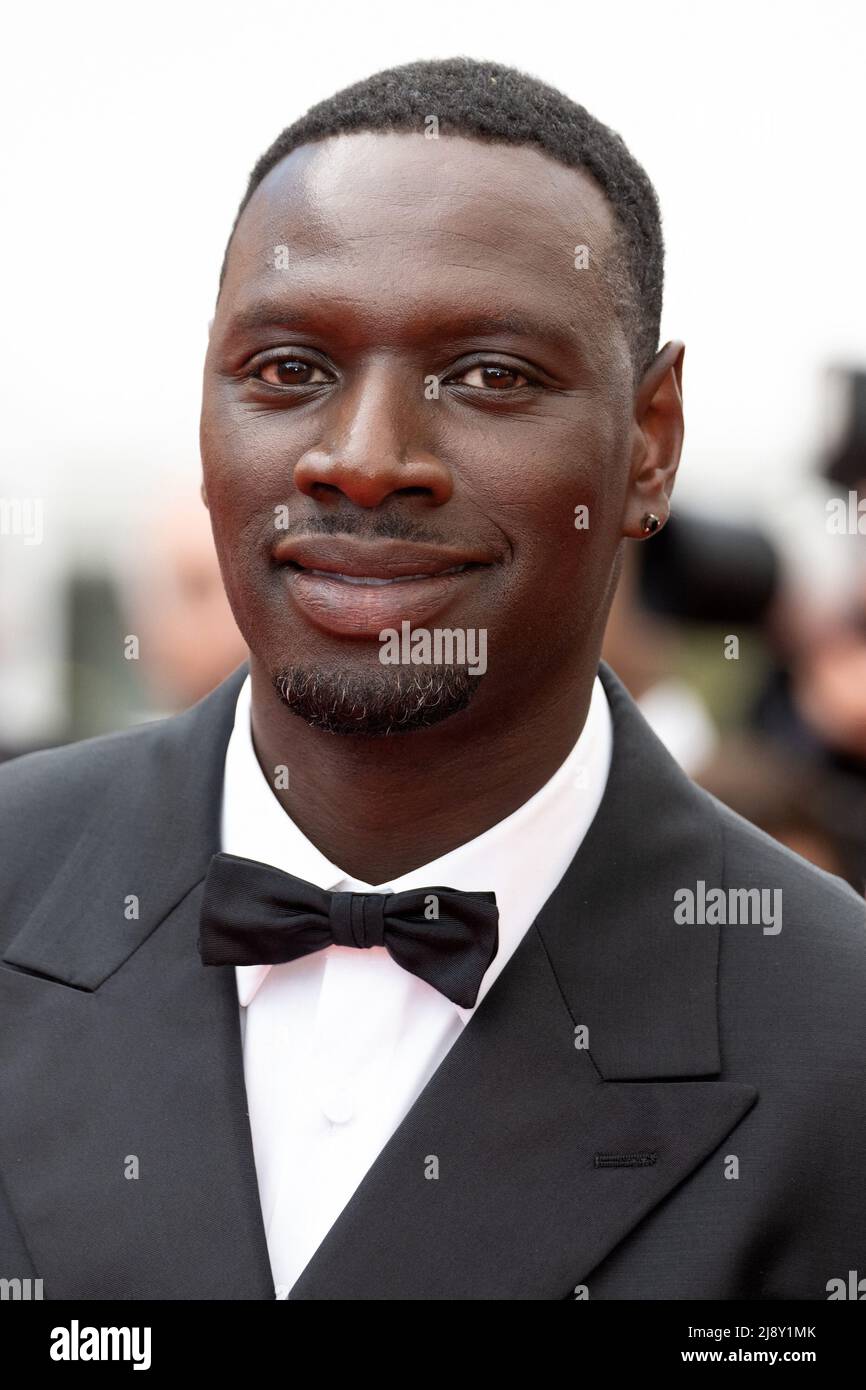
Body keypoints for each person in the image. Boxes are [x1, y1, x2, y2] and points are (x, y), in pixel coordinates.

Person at [1, 56, 864, 1302]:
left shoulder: (834, 1039)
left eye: (489, 376)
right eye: (289, 368)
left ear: (649, 444)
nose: (361, 460)